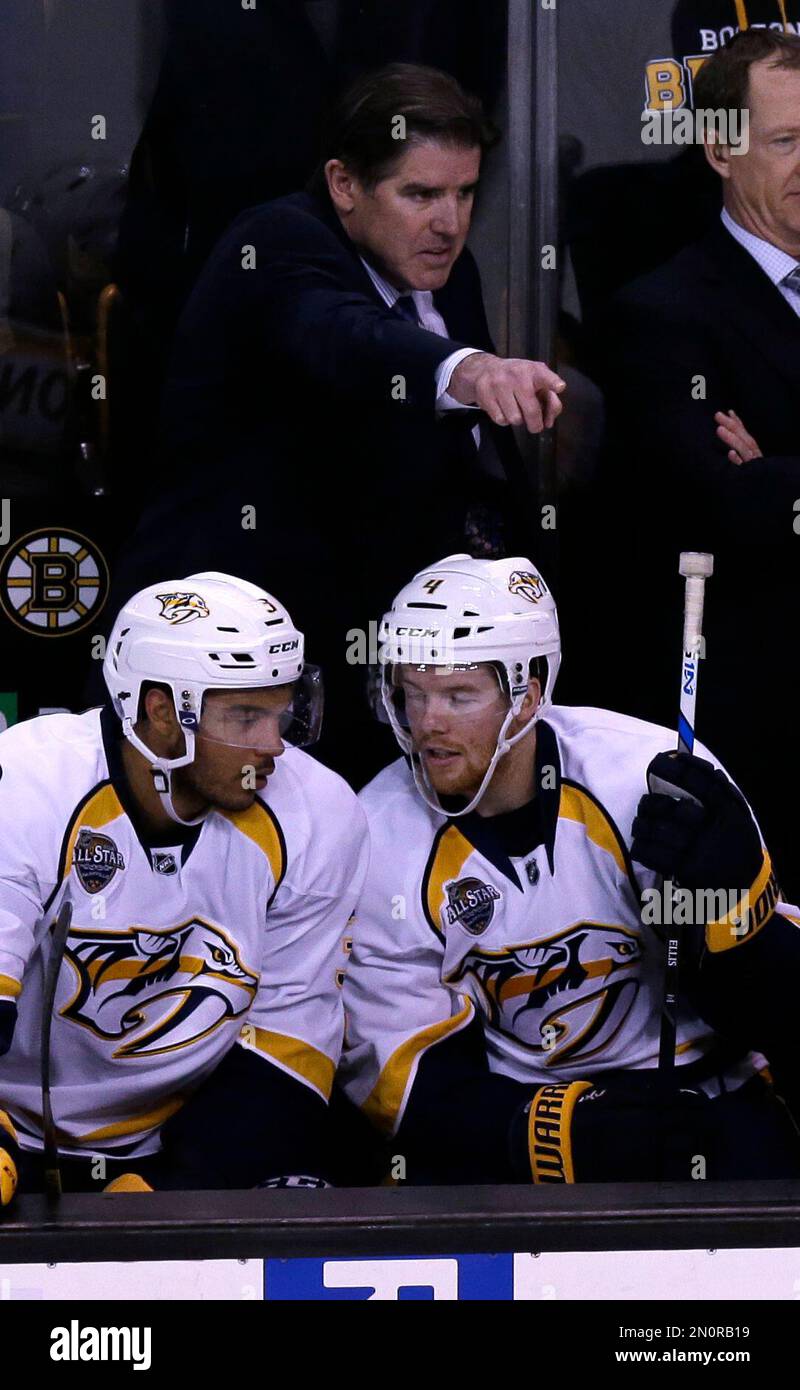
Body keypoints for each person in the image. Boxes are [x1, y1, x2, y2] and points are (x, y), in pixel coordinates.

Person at [110, 62, 565, 788]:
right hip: (238, 668)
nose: (449, 222)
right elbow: (346, 338)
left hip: (387, 670)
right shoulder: (279, 243)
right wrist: (471, 370)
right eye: (420, 194)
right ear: (344, 184)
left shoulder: (453, 271)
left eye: (465, 192)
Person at [339, 552, 800, 1183]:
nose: (427, 723)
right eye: (412, 693)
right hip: (525, 1126)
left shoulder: (653, 776)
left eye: (458, 694)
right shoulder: (375, 831)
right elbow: (400, 1075)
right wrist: (570, 1135)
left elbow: (777, 1005)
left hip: (704, 1098)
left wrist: (727, 917)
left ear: (527, 696)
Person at [0, 571, 367, 1201]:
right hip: (14, 1125)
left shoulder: (319, 813)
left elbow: (289, 1050)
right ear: (160, 711)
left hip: (185, 1136)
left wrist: (174, 1189)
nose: (274, 745)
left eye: (282, 711)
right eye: (246, 715)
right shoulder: (27, 782)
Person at [581, 27, 800, 899]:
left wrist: (776, 464)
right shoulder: (661, 314)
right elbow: (732, 507)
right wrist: (758, 485)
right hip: (767, 732)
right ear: (719, 148)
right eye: (787, 141)